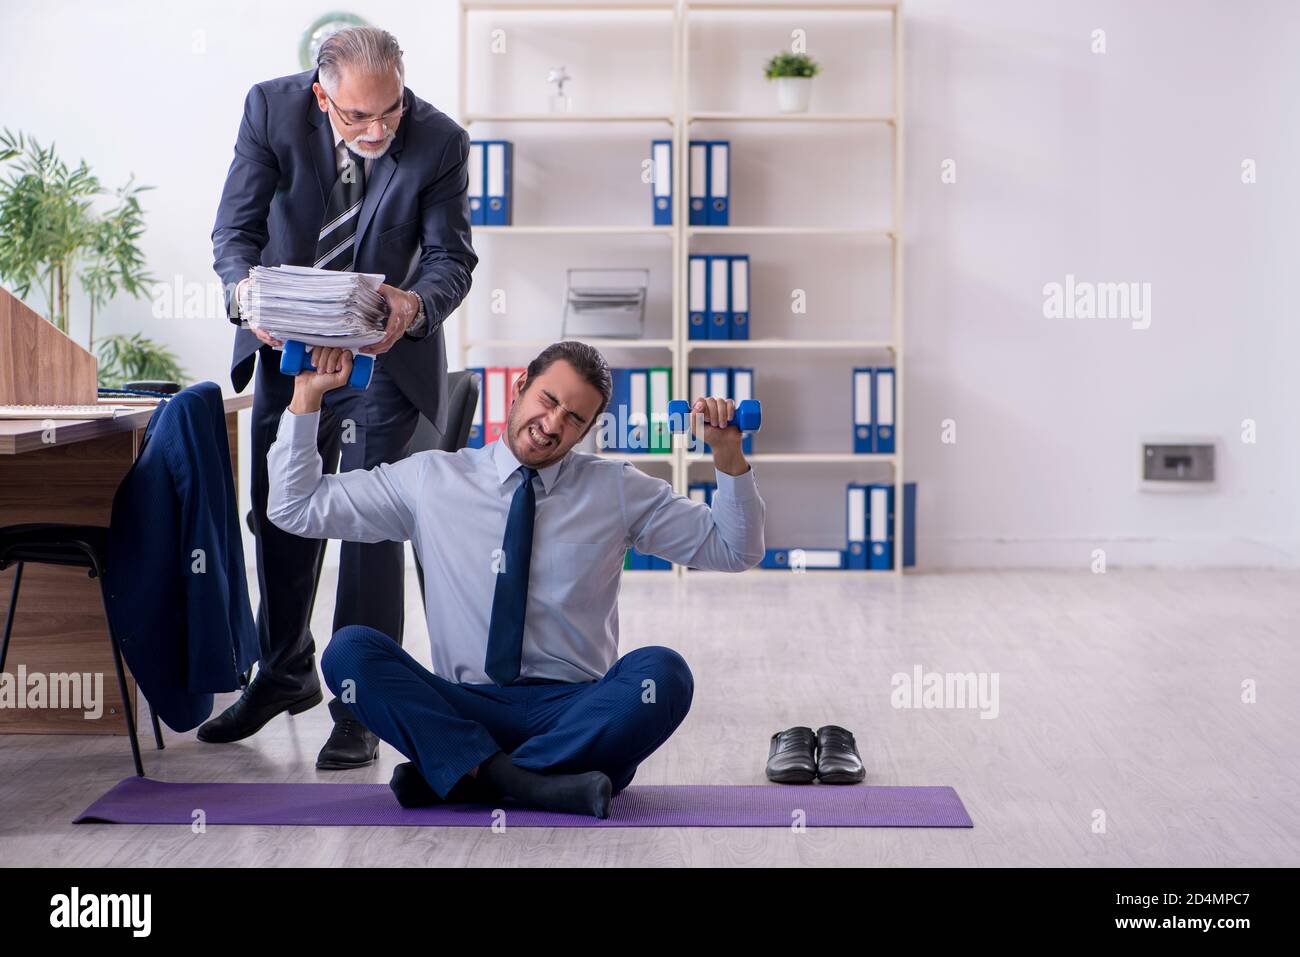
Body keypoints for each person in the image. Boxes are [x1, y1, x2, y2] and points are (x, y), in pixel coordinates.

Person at [266, 341, 765, 818]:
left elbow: (733, 549)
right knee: (349, 652)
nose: (552, 425)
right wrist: (307, 396)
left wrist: (726, 454)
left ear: (589, 428)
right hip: (464, 705)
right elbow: (295, 507)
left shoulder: (616, 489)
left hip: (574, 711)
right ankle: (533, 782)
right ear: (520, 386)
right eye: (548, 400)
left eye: (575, 418)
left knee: (665, 675)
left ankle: (464, 771)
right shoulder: (431, 480)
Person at [205, 26, 478, 768]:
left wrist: (413, 309)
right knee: (277, 507)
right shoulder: (270, 111)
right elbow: (235, 231)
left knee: (367, 523)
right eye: (357, 117)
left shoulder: (440, 141)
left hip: (383, 358)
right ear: (322, 96)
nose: (378, 130)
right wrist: (245, 295)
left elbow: (453, 258)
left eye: (389, 111)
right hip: (286, 348)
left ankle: (360, 697)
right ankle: (285, 669)